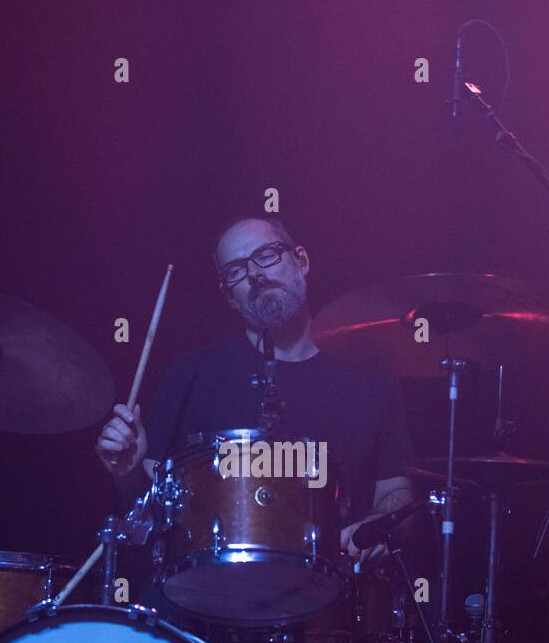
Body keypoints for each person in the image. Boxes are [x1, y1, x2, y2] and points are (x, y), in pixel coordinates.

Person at [95, 215, 414, 562]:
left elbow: (396, 491)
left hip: (333, 595)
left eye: (267, 255)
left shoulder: (370, 377)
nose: (255, 274)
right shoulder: (192, 374)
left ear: (302, 261)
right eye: (236, 270)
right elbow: (147, 520)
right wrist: (127, 475)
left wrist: (380, 524)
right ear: (229, 296)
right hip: (209, 599)